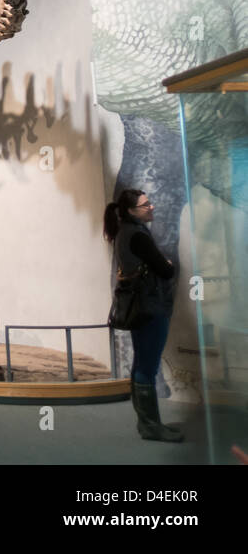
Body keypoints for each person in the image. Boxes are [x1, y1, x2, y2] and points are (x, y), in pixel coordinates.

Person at [104, 188, 182, 443]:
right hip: (149, 307)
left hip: (139, 308)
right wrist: (166, 265)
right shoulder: (137, 235)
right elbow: (165, 270)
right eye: (145, 204)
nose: (152, 207)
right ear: (130, 210)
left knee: (142, 363)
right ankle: (150, 426)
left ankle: (147, 423)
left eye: (149, 203)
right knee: (147, 366)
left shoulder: (124, 232)